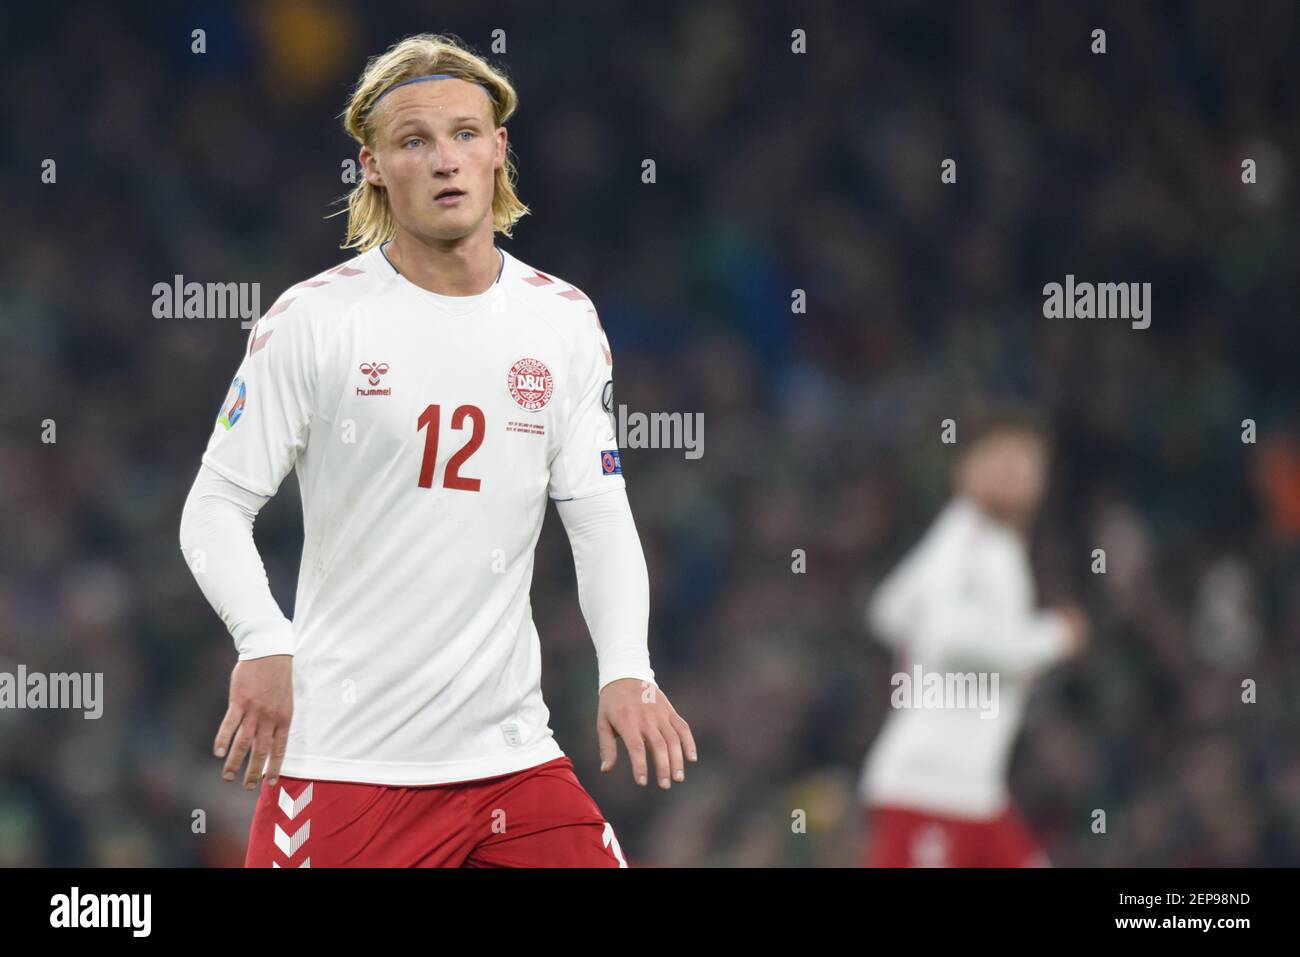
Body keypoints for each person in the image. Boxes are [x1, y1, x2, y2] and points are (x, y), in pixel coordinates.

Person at [178, 33, 695, 868]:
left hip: (510, 761)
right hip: (346, 763)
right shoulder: (315, 322)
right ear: (373, 166)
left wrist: (626, 667)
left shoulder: (561, 320)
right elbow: (214, 507)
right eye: (414, 140)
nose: (444, 158)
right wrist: (262, 639)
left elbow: (598, 515)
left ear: (498, 149)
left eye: (464, 134)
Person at [859, 408, 1088, 867]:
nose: (1013, 473)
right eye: (1001, 458)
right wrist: (1054, 636)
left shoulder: (967, 536)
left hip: (973, 790)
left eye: (1026, 463)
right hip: (931, 787)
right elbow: (950, 640)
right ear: (966, 467)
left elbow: (887, 611)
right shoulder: (974, 541)